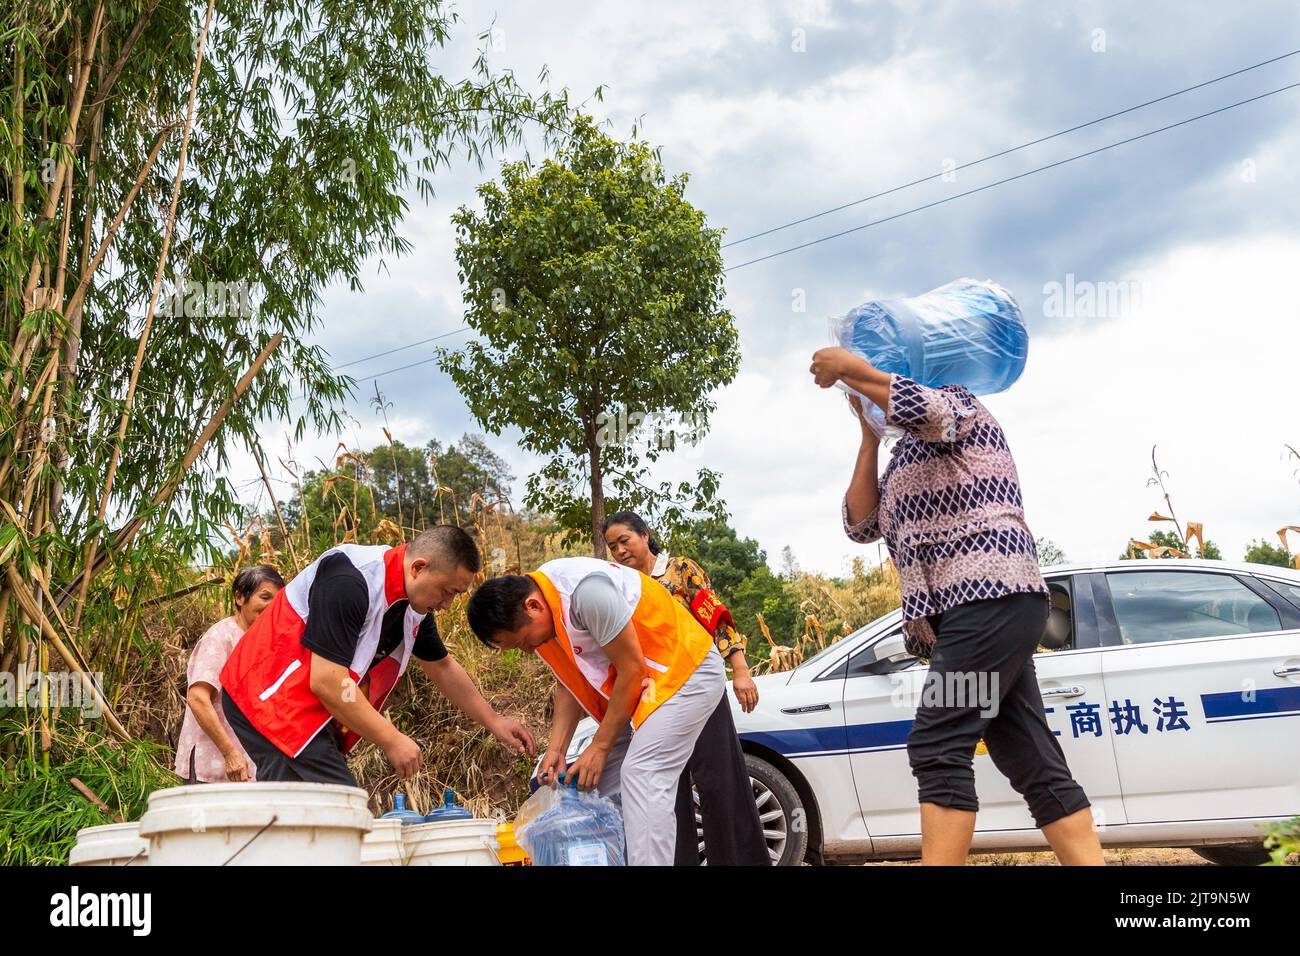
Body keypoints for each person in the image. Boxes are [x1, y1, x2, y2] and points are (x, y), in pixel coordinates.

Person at [810, 346, 1104, 866]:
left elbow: (929, 411)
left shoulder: (959, 405)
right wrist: (868, 438)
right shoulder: (906, 456)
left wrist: (852, 370)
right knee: (1027, 755)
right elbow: (860, 524)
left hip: (990, 594)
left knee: (937, 741)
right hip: (980, 610)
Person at [220, 526, 535, 785]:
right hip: (266, 695)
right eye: (447, 591)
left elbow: (441, 666)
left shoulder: (414, 605)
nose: (447, 605)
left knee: (312, 814)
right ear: (419, 567)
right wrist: (392, 739)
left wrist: (494, 721)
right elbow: (327, 682)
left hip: (307, 710)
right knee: (334, 808)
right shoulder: (350, 579)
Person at [466, 556, 724, 866]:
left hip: (685, 671)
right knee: (593, 785)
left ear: (532, 607)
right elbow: (570, 684)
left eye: (523, 641)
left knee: (642, 774)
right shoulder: (546, 611)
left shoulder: (585, 594)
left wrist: (600, 746)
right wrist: (556, 749)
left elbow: (631, 670)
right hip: (648, 691)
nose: (529, 650)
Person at [602, 511, 769, 866]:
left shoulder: (678, 570)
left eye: (624, 541)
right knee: (663, 789)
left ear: (645, 535)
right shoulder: (621, 585)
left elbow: (717, 618)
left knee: (720, 780)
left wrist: (739, 669)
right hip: (655, 699)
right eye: (612, 546)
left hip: (698, 685)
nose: (619, 551)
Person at [174, 565, 284, 784]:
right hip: (214, 763)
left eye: (277, 600)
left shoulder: (263, 642)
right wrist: (230, 753)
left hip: (249, 767)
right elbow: (198, 698)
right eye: (264, 597)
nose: (271, 606)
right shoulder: (220, 638)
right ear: (240, 598)